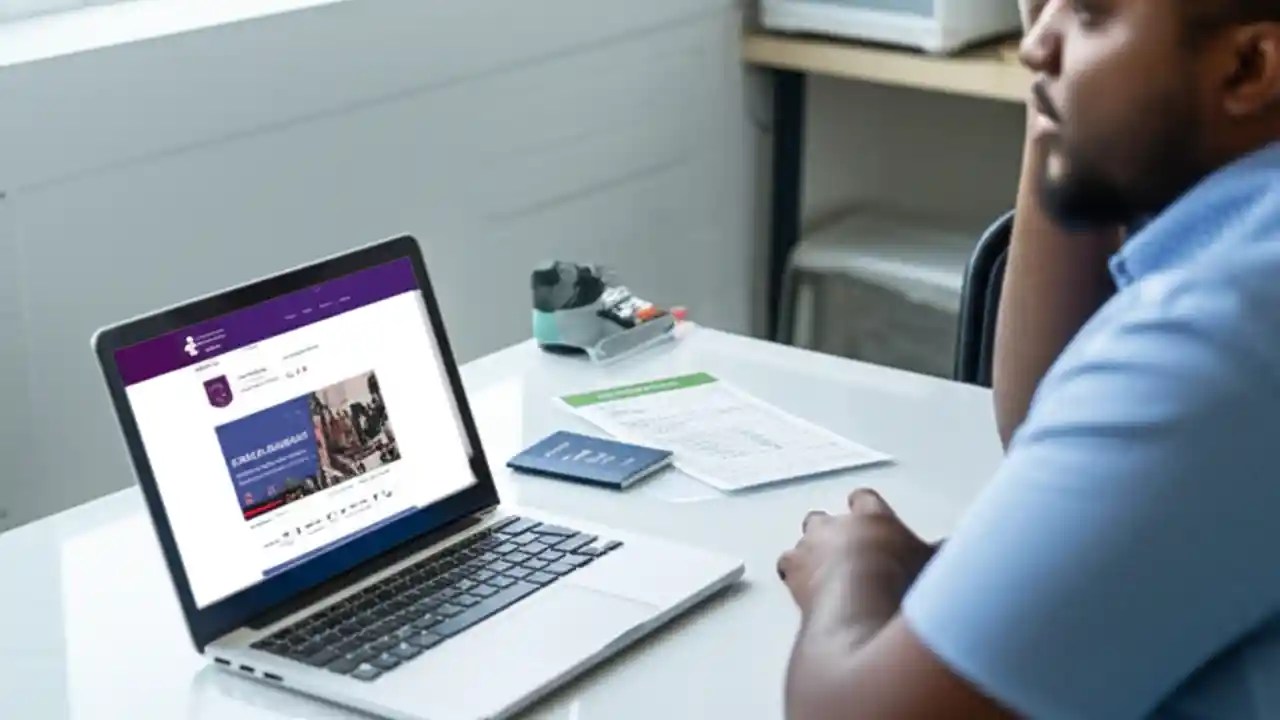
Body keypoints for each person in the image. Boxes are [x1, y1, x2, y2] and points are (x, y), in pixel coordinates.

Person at [778, 1, 1280, 717]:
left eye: (1088, 14)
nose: (1033, 47)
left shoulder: (1223, 334)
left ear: (1250, 66)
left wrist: (849, 570)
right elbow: (1060, 412)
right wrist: (1064, 93)